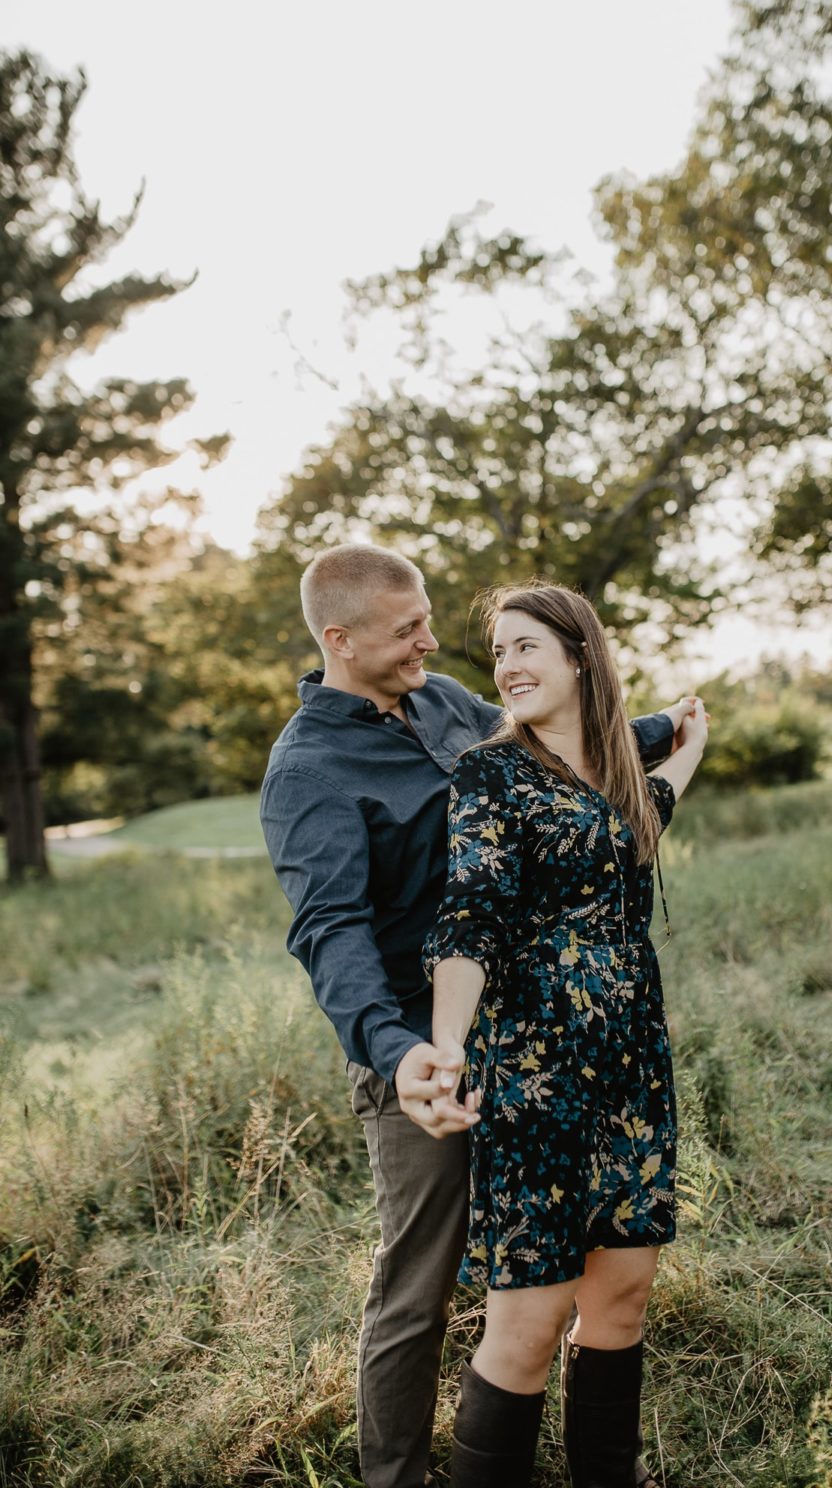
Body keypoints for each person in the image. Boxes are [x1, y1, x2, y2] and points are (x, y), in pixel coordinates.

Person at [259, 545, 683, 1488]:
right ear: (341, 639)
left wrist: (662, 727)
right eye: (407, 629)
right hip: (424, 1051)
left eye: (427, 621)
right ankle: (397, 1478)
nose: (430, 641)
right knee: (422, 1283)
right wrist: (399, 1050)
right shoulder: (309, 770)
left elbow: (552, 749)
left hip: (535, 1035)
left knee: (567, 1265)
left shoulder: (445, 700)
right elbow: (330, 929)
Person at [420, 582, 708, 1488]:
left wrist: (690, 748)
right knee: (531, 1320)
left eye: (526, 646)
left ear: (580, 656)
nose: (507, 665)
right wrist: (448, 1044)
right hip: (534, 1075)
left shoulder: (617, 773)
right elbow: (471, 914)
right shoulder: (490, 774)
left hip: (631, 1068)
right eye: (499, 651)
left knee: (622, 1295)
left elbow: (639, 816)